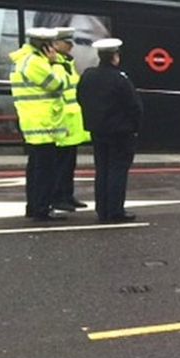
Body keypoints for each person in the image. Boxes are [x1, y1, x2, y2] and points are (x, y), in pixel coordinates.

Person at [77, 38, 142, 223]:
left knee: (102, 169)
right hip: (121, 132)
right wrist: (135, 127)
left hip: (97, 130)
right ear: (115, 56)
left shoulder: (88, 75)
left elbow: (80, 97)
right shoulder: (120, 78)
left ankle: (102, 210)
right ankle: (115, 211)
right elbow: (134, 106)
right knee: (117, 171)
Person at [9, 27, 69, 221]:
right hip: (43, 123)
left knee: (35, 168)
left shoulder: (24, 60)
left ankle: (34, 206)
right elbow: (58, 84)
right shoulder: (36, 62)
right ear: (45, 46)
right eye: (51, 44)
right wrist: (56, 63)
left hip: (33, 122)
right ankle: (42, 209)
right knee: (44, 170)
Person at [49, 28, 91, 212]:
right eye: (67, 42)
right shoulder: (53, 63)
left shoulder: (67, 63)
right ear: (56, 44)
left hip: (71, 122)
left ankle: (67, 195)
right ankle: (58, 197)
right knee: (60, 164)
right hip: (60, 121)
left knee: (69, 163)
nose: (71, 45)